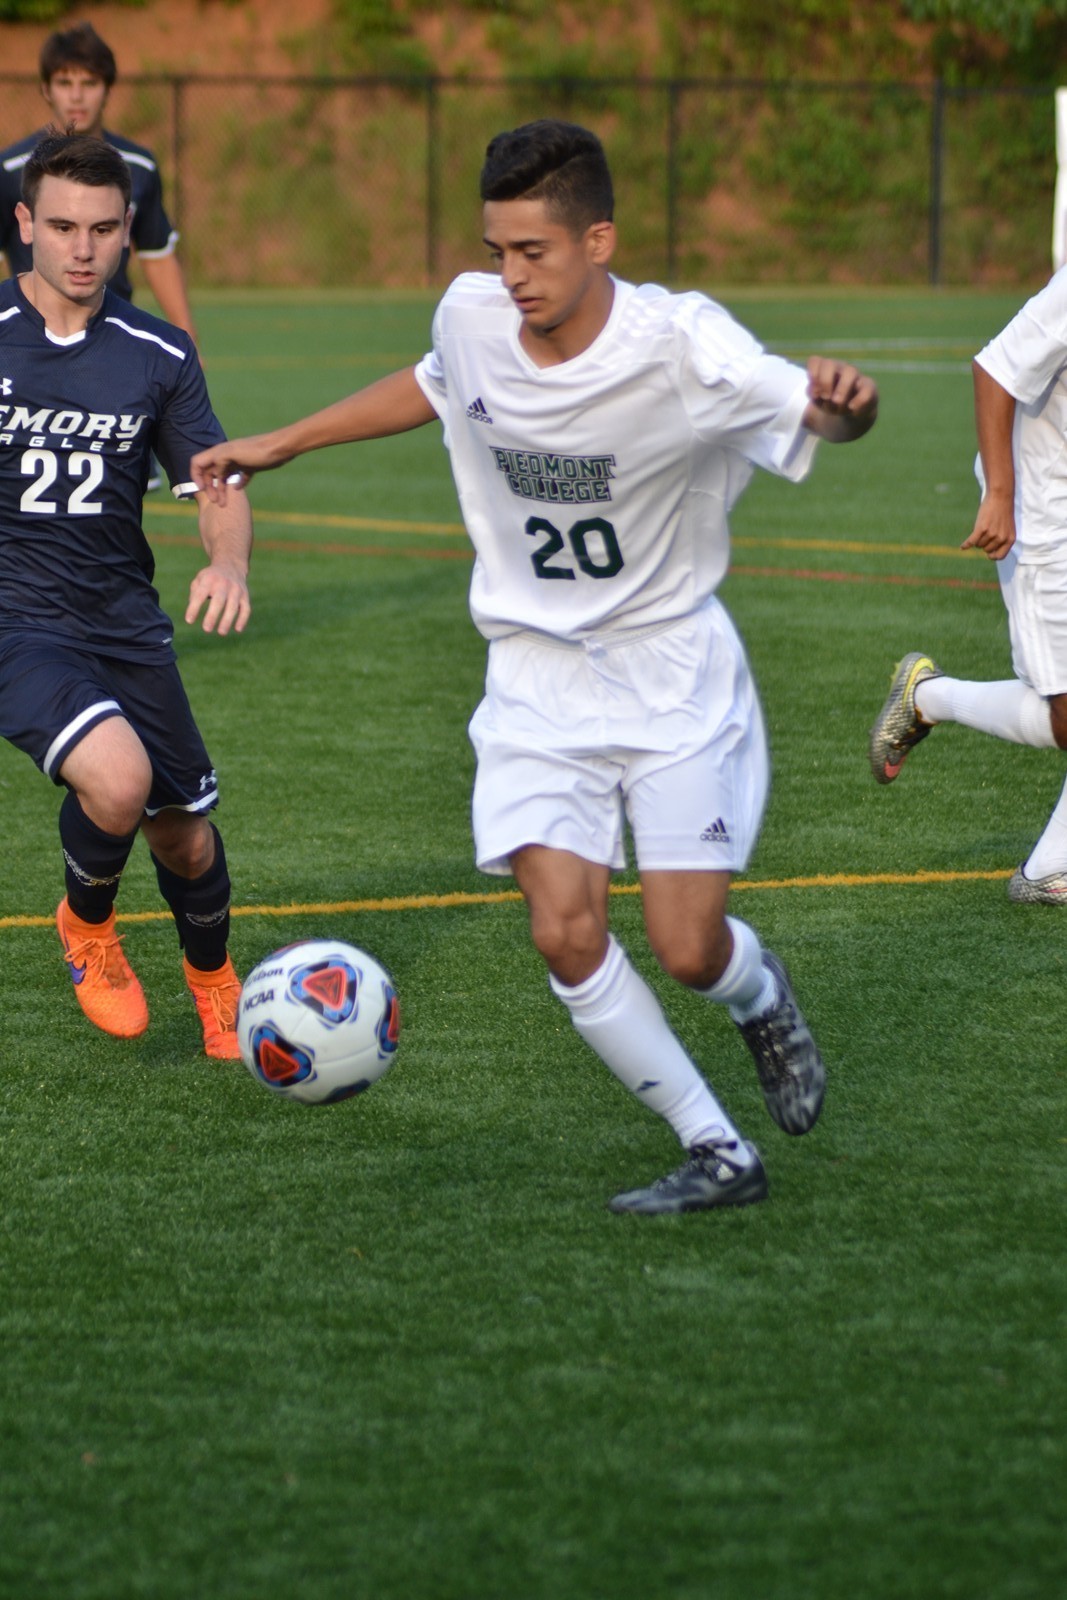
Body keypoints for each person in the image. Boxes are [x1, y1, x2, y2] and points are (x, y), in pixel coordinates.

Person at [191, 119, 878, 1211]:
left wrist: (849, 410)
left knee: (686, 946)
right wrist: (281, 443)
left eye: (532, 252)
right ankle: (715, 1148)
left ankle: (755, 996)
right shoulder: (470, 315)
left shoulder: (681, 347)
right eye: (496, 249)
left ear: (596, 239)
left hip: (668, 673)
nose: (508, 276)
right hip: (531, 677)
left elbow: (811, 415)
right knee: (563, 930)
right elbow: (434, 383)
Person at [0, 132, 252, 1058]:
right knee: (116, 778)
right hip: (16, 619)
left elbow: (215, 482)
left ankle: (215, 983)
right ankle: (87, 926)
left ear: (126, 232)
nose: (81, 247)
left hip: (124, 623)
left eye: (103, 229)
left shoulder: (159, 352)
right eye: (61, 225)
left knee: (184, 836)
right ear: (24, 224)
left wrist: (227, 563)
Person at [869, 270, 1067, 904]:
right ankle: (929, 697)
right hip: (1043, 507)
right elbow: (995, 369)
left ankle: (1049, 869)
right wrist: (1002, 496)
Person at [0, 22, 197, 345]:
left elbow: (157, 255)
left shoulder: (138, 166)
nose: (77, 95)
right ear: (46, 89)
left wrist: (189, 340)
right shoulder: (10, 169)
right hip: (31, 341)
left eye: (89, 83)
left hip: (110, 338)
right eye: (64, 82)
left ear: (107, 89)